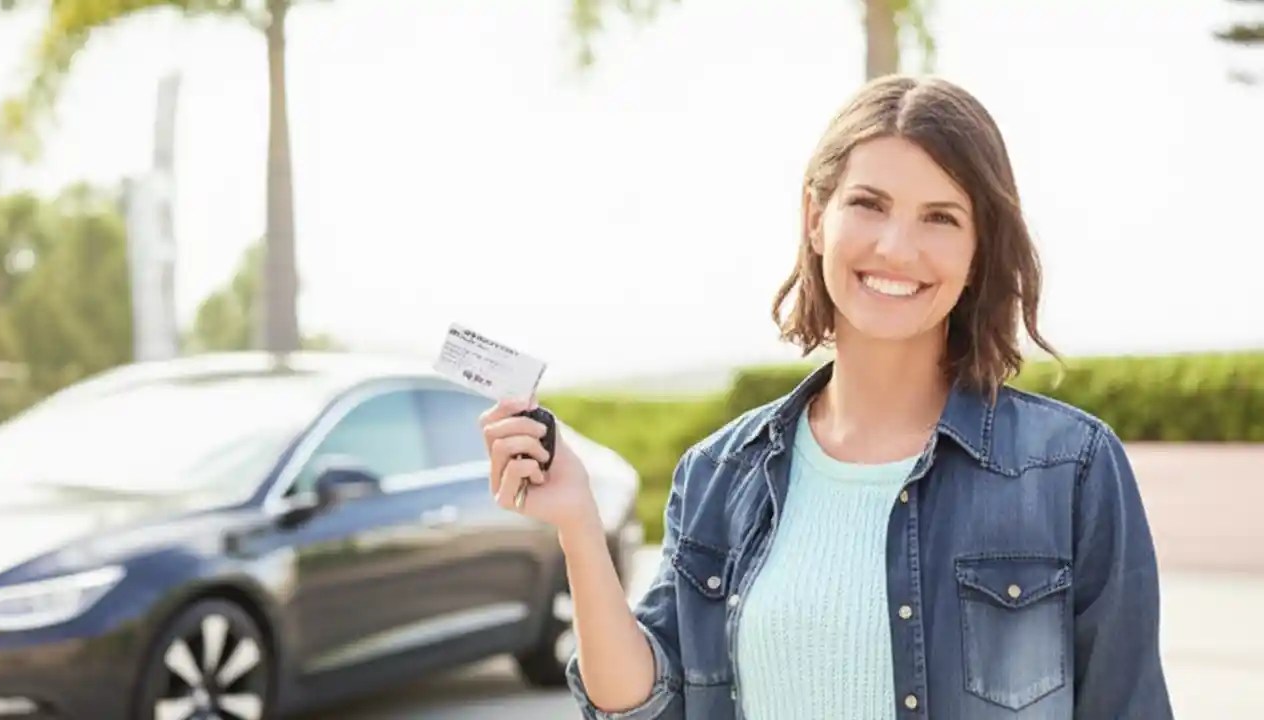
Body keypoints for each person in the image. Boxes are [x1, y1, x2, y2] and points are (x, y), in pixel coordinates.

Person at [478, 74, 1173, 720]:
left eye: (940, 217)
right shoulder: (721, 475)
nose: (897, 247)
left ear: (979, 251)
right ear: (816, 217)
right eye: (869, 205)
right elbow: (646, 706)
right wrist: (576, 519)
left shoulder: (1068, 470)